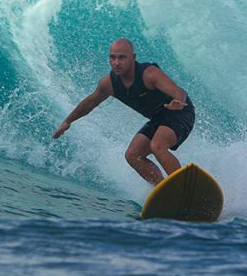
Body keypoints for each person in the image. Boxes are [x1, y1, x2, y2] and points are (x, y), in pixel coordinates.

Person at [52, 38, 196, 186]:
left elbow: (178, 91)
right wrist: (68, 121)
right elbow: (90, 102)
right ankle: (163, 189)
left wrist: (178, 102)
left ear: (133, 58)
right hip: (159, 118)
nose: (116, 62)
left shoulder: (149, 74)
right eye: (112, 57)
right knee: (133, 155)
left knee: (157, 145)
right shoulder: (108, 84)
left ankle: (185, 187)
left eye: (122, 57)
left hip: (180, 112)